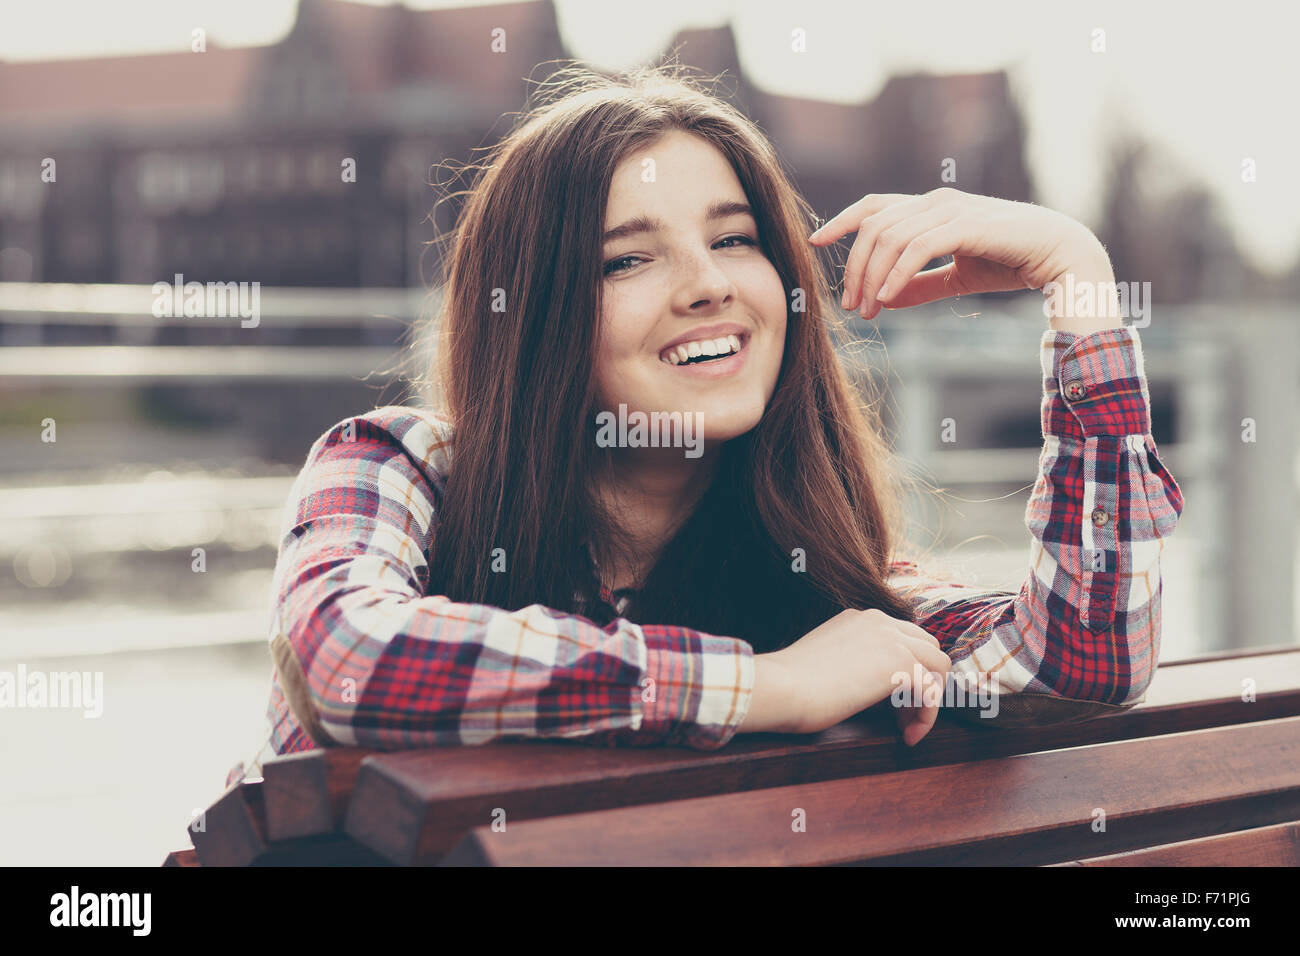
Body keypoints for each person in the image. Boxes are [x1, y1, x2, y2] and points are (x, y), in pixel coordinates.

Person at [226, 63, 1183, 787]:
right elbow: (346, 657)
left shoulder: (821, 584)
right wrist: (769, 688)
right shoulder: (403, 468)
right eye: (626, 261)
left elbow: (1084, 666)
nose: (709, 284)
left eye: (734, 240)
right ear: (533, 313)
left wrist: (1078, 276)